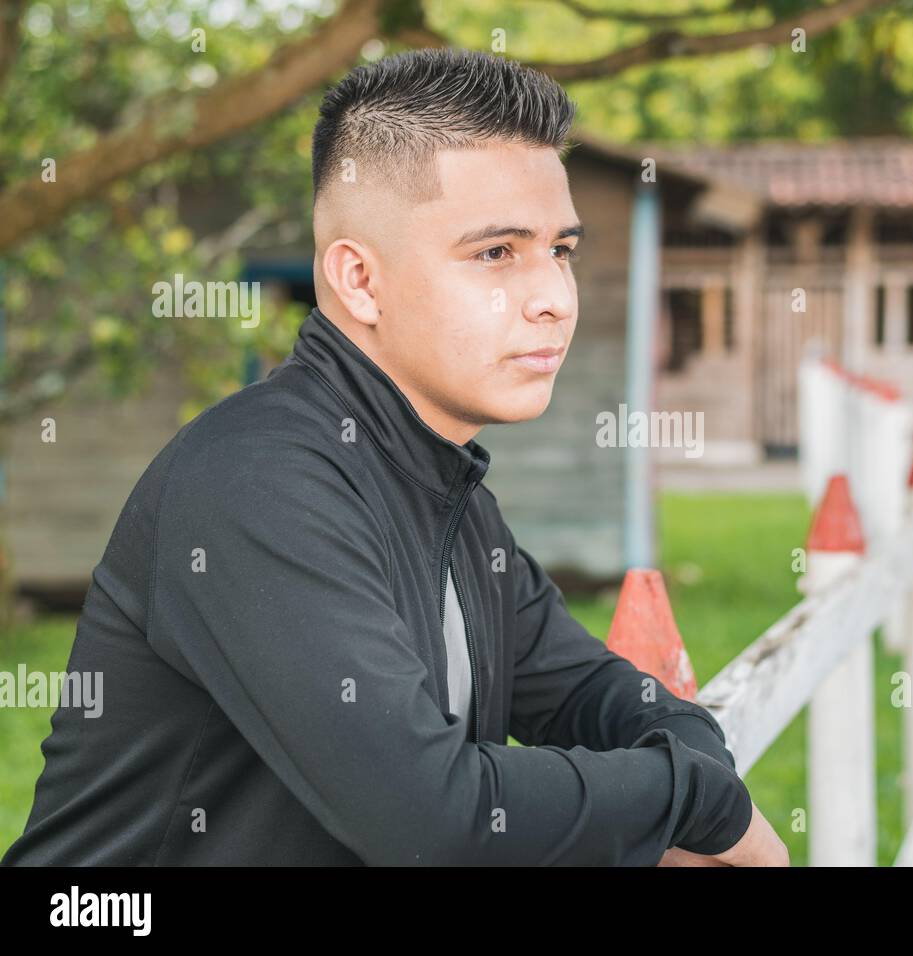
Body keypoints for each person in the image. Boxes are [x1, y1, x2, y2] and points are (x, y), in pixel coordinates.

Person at [2, 48, 787, 867]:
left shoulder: (447, 491)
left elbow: (594, 692)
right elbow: (429, 818)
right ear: (360, 282)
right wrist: (693, 801)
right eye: (496, 253)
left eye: (561, 249)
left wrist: (684, 756)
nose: (555, 296)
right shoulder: (257, 483)